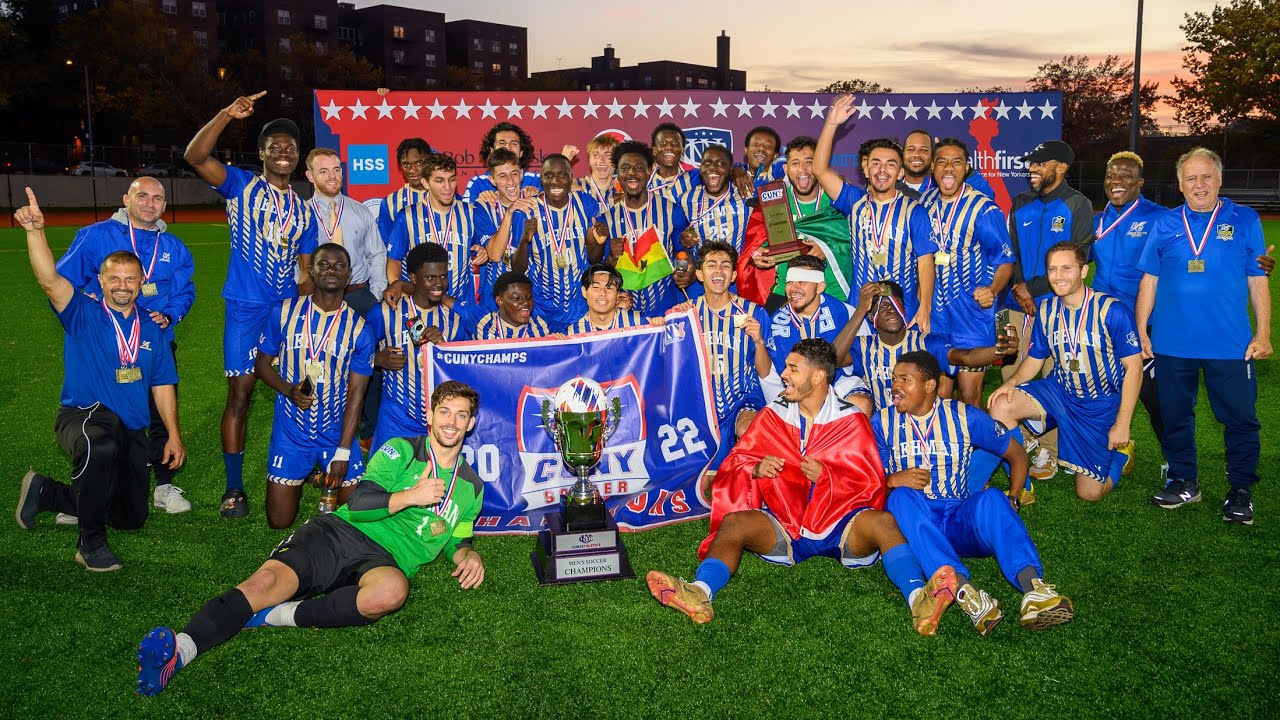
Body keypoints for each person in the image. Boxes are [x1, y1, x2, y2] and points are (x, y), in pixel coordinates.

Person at [135, 382, 485, 697]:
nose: (451, 422)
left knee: (392, 593)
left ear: (470, 423)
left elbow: (457, 536)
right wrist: (409, 495)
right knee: (265, 582)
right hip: (339, 534)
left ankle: (279, 615)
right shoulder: (402, 451)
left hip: (385, 562)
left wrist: (467, 554)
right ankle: (180, 651)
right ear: (431, 415)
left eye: (461, 415)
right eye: (444, 412)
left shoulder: (472, 486)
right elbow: (360, 503)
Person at [644, 339, 958, 636]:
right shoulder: (773, 415)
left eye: (793, 368)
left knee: (883, 522)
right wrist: (755, 468)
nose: (783, 374)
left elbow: (871, 483)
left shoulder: (851, 420)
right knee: (734, 523)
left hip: (841, 526)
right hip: (784, 525)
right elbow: (735, 464)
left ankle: (919, 597)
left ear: (819, 376)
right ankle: (700, 592)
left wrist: (829, 477)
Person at [15, 189, 185, 572]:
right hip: (82, 415)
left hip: (133, 429)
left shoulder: (154, 330)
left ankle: (49, 493)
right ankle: (90, 544)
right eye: (114, 278)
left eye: (130, 279)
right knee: (99, 438)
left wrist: (172, 434)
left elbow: (162, 384)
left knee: (131, 516)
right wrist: (35, 232)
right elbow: (49, 280)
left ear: (141, 284)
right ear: (101, 281)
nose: (122, 285)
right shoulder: (83, 312)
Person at [184, 92, 318, 519]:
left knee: (295, 389)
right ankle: (234, 486)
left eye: (290, 148)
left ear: (298, 159)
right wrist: (227, 113)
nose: (283, 152)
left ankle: (296, 467)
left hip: (284, 312)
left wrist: (305, 305)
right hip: (245, 307)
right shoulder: (241, 186)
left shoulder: (304, 209)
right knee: (241, 394)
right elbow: (195, 155)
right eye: (274, 146)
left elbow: (308, 268)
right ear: (261, 153)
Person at [875, 352, 1072, 635]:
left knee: (993, 499)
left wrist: (1014, 496)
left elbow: (1017, 454)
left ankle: (1034, 590)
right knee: (900, 498)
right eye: (894, 379)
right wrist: (893, 479)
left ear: (929, 385)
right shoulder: (881, 422)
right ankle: (967, 592)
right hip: (916, 521)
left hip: (957, 515)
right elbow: (868, 480)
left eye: (905, 380)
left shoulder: (963, 416)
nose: (895, 386)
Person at [1137, 147, 1272, 524]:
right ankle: (1184, 480)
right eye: (1192, 178)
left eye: (1206, 176)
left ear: (1220, 180)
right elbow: (1150, 279)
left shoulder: (1244, 219)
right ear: (1180, 184)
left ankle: (1240, 491)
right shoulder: (1164, 223)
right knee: (1176, 416)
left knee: (1240, 420)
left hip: (1229, 344)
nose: (1200, 184)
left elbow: (1257, 279)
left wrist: (1263, 333)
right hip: (1171, 343)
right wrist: (1140, 330)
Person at [54, 176, 195, 515]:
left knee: (160, 411)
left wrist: (170, 314)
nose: (150, 203)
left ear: (164, 204)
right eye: (142, 195)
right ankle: (82, 494)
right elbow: (62, 280)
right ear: (126, 199)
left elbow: (185, 291)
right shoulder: (95, 235)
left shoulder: (174, 247)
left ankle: (163, 484)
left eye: (158, 198)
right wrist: (89, 305)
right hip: (105, 343)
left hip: (154, 343)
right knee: (102, 420)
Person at [989, 242, 1142, 502]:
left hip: (1098, 404)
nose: (1059, 276)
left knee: (1090, 493)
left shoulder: (1112, 311)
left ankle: (1121, 453)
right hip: (1059, 391)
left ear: (1083, 271)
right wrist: (1011, 382)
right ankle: (1022, 486)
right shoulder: (1047, 310)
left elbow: (1134, 368)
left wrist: (1122, 423)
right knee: (1002, 405)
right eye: (1053, 269)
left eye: (1067, 268)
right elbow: (1036, 359)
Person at [254, 243, 374, 528]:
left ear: (349, 275)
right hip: (291, 433)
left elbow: (357, 396)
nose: (331, 270)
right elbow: (260, 366)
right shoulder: (282, 312)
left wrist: (343, 454)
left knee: (357, 518)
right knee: (279, 521)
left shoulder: (360, 329)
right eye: (324, 264)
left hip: (336, 434)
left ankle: (322, 473)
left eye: (339, 266)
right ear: (309, 270)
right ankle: (312, 475)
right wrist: (288, 390)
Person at [1002, 140, 1094, 481]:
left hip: (1059, 310)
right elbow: (1010, 253)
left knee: (1056, 380)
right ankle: (1029, 445)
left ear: (1063, 167)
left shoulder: (1077, 204)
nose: (1033, 168)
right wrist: (1021, 288)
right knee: (1013, 375)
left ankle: (1055, 451)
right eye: (1031, 162)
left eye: (1041, 163)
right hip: (1018, 306)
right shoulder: (1021, 203)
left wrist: (1035, 288)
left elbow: (1081, 255)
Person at [816, 96, 938, 331]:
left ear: (901, 172)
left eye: (891, 164)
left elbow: (925, 263)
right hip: (860, 307)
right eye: (876, 163)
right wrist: (831, 124)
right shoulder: (854, 201)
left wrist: (925, 308)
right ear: (865, 168)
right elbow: (819, 170)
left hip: (904, 308)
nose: (882, 170)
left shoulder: (916, 211)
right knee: (861, 364)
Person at [302, 148, 386, 454]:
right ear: (310, 176)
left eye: (337, 169)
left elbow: (377, 253)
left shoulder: (360, 211)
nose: (332, 176)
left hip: (359, 295)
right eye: (323, 171)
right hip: (318, 301)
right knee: (318, 365)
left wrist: (374, 294)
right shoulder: (301, 212)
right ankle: (320, 435)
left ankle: (369, 431)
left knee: (373, 363)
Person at [919, 138, 1015, 406]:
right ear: (932, 167)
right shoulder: (923, 204)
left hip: (972, 315)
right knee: (937, 394)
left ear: (967, 167)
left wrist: (993, 290)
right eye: (942, 161)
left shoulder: (983, 209)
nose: (948, 168)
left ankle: (973, 448)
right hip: (935, 317)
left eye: (956, 162)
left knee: (970, 396)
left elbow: (1005, 259)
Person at [842, 281, 1013, 412]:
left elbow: (966, 357)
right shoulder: (863, 346)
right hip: (885, 429)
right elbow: (831, 360)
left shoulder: (925, 343)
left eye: (896, 305)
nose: (891, 310)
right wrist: (860, 311)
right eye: (883, 306)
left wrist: (999, 350)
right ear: (871, 317)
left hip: (924, 427)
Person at [366, 242, 466, 450]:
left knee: (436, 482)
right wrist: (377, 359)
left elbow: (463, 371)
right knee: (385, 481)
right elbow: (354, 354)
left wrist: (444, 347)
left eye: (443, 276)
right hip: (395, 421)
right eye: (430, 277)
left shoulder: (453, 320)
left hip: (440, 422)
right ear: (413, 279)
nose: (439, 284)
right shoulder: (386, 312)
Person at [496, 153, 607, 331]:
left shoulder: (586, 204)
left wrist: (600, 242)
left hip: (579, 304)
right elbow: (517, 269)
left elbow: (595, 259)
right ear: (541, 179)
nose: (555, 181)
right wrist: (525, 241)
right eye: (549, 176)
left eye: (562, 175)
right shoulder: (526, 210)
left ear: (571, 178)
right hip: (540, 307)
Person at [742, 135, 852, 309]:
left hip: (832, 291)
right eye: (795, 163)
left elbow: (858, 241)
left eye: (809, 162)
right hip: (786, 292)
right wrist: (757, 256)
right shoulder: (774, 201)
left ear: (819, 166)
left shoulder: (838, 199)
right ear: (786, 169)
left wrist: (828, 249)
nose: (802, 169)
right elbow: (756, 246)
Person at [689, 241, 772, 466]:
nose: (719, 271)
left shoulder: (754, 312)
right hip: (701, 404)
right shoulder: (685, 313)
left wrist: (759, 341)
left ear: (734, 275)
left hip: (741, 399)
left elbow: (764, 372)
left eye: (726, 266)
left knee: (749, 428)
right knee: (705, 485)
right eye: (711, 265)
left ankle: (752, 493)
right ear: (699, 274)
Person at [599, 140, 691, 315]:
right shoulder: (607, 219)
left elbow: (683, 251)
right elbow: (603, 270)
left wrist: (682, 270)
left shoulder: (671, 210)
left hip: (666, 308)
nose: (632, 173)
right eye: (625, 168)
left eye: (639, 168)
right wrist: (611, 256)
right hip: (625, 312)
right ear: (617, 174)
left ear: (649, 172)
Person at [385, 153, 482, 306]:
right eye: (439, 180)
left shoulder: (470, 212)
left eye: (452, 179)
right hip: (420, 304)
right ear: (426, 183)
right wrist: (398, 286)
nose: (448, 187)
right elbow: (394, 260)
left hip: (459, 304)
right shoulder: (408, 216)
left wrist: (484, 251)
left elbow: (487, 248)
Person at [472, 148, 532, 311]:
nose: (511, 182)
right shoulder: (482, 207)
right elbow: (495, 254)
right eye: (502, 176)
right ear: (492, 179)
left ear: (521, 173)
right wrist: (508, 214)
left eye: (514, 174)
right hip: (493, 298)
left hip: (529, 297)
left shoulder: (534, 205)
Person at [676, 144, 750, 257]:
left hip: (736, 271)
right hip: (702, 272)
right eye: (707, 163)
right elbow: (677, 236)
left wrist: (739, 167)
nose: (713, 167)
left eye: (721, 164)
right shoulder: (686, 199)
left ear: (730, 170)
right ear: (700, 169)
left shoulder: (745, 192)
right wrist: (683, 240)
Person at [898, 129, 995, 199]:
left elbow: (987, 197)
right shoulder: (892, 186)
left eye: (924, 150)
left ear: (932, 156)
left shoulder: (947, 183)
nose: (917, 154)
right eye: (910, 149)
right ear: (903, 154)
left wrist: (950, 159)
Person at [462, 122, 543, 203]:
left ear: (521, 152)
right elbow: (466, 213)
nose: (508, 147)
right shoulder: (478, 184)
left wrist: (541, 196)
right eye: (502, 143)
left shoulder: (538, 181)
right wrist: (479, 204)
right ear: (492, 150)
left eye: (514, 143)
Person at [463, 271, 553, 340]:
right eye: (516, 298)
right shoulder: (482, 321)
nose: (526, 302)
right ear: (500, 301)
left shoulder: (542, 324)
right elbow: (451, 302)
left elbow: (566, 329)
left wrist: (559, 338)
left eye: (529, 297)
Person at [565, 265, 654, 334]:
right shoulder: (572, 333)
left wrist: (659, 324)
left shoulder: (640, 322)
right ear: (584, 292)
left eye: (609, 288)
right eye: (596, 287)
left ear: (618, 294)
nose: (603, 293)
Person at [376, 138, 432, 245]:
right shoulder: (390, 203)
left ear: (430, 162)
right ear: (400, 167)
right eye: (406, 165)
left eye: (419, 163)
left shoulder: (447, 197)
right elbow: (386, 247)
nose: (412, 170)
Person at [648, 123, 697, 199]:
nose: (669, 147)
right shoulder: (645, 179)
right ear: (655, 151)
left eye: (675, 143)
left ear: (682, 150)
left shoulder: (695, 177)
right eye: (663, 143)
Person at [575, 133, 619, 207]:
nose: (601, 160)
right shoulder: (576, 187)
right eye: (595, 155)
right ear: (589, 160)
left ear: (616, 161)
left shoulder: (623, 192)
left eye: (607, 155)